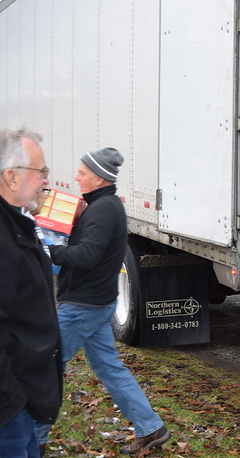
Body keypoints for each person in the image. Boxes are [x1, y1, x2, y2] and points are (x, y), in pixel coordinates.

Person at [42, 148, 170, 455]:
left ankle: (34, 437)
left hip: (83, 307)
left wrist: (49, 251)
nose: (77, 177)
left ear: (99, 178)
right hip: (96, 304)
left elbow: (87, 256)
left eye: (82, 173)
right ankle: (150, 428)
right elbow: (90, 247)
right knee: (111, 369)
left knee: (44, 366)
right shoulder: (101, 206)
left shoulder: (103, 210)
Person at [0, 127, 62, 458]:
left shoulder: (18, 224)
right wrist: (12, 404)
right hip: (9, 415)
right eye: (41, 171)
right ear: (11, 177)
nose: (45, 181)